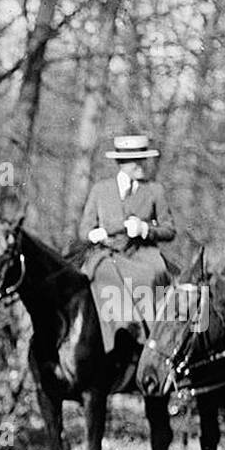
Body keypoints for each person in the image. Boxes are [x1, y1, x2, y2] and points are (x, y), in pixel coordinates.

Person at [77, 133, 176, 353]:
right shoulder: (100, 190)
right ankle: (101, 340)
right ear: (121, 163)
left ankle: (150, 343)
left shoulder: (154, 190)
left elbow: (170, 230)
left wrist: (145, 229)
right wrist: (95, 235)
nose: (142, 165)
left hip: (143, 253)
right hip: (107, 253)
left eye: (143, 159)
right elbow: (84, 230)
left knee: (152, 278)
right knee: (91, 278)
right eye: (136, 161)